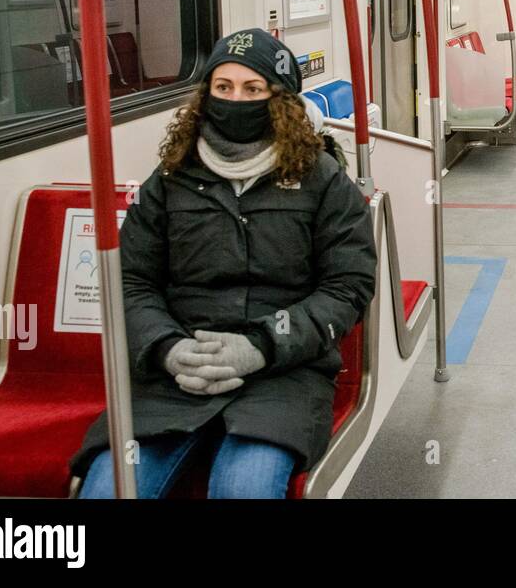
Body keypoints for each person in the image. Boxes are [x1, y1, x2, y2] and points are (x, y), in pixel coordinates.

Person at [71, 28, 376, 499]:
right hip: (176, 372)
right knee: (108, 488)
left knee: (244, 488)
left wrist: (261, 346)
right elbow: (130, 281)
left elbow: (347, 287)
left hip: (283, 372)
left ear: (280, 99)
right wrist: (166, 347)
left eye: (252, 90)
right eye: (223, 88)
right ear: (206, 94)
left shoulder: (322, 181)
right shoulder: (171, 179)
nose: (236, 100)